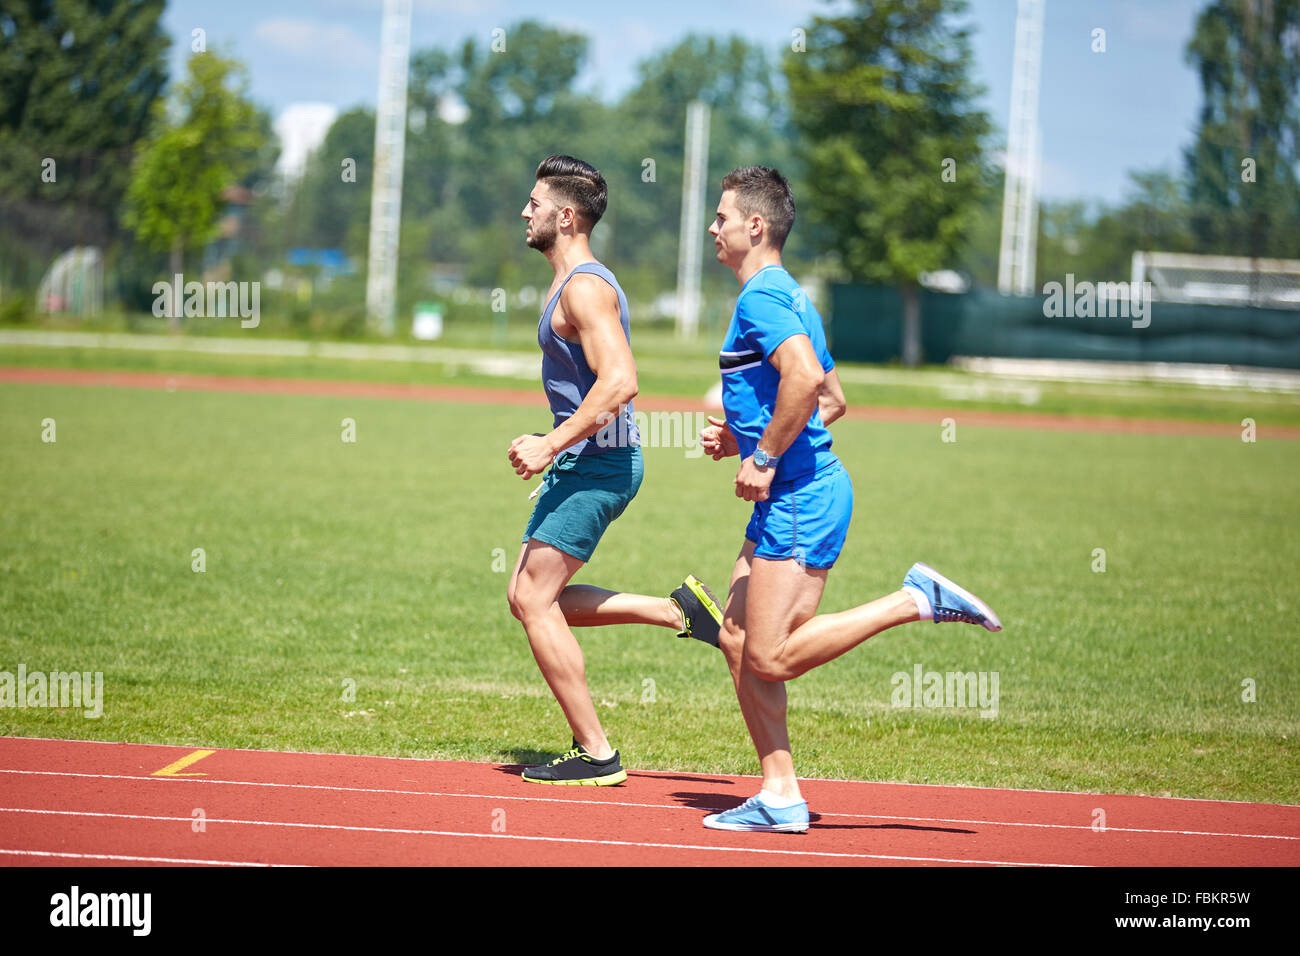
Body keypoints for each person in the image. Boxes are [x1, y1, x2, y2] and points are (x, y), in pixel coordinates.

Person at [697, 166, 1003, 832]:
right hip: (795, 492)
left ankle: (914, 600)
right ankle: (780, 794)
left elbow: (805, 380)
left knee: (771, 655)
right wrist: (744, 438)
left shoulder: (762, 298)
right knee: (734, 637)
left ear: (757, 225)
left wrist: (765, 454)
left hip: (801, 494)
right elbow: (832, 400)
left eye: (721, 217)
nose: (712, 228)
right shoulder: (789, 296)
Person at [506, 155, 723, 786]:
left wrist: (551, 444)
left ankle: (597, 753)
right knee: (530, 598)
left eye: (534, 202)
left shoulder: (584, 287)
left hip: (598, 464)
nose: (525, 211)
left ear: (565, 215)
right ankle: (673, 611)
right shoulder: (574, 281)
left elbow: (621, 380)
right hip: (590, 461)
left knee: (531, 597)